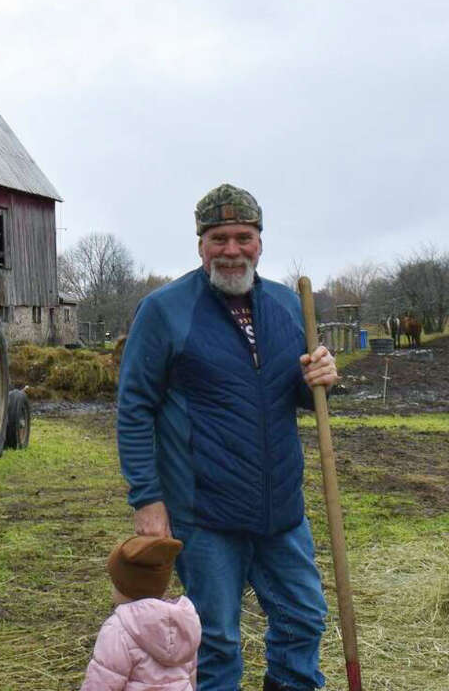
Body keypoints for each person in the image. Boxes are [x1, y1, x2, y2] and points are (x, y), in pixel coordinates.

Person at [116, 184, 340, 691]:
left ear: (260, 241)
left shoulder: (288, 306)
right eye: (220, 239)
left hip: (281, 508)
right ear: (201, 245)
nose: (232, 250)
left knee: (304, 616)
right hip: (204, 512)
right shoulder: (165, 310)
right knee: (216, 640)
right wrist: (147, 498)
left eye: (244, 237)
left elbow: (298, 392)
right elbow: (134, 408)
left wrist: (322, 377)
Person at [81, 535, 200, 691]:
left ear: (123, 587)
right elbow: (191, 676)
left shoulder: (118, 629)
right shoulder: (185, 622)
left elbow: (102, 681)